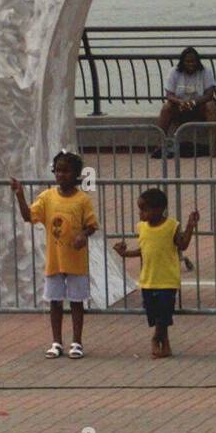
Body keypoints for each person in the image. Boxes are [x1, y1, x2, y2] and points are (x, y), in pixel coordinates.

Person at [11, 151, 98, 359]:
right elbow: (28, 216)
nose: (61, 175)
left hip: (76, 261)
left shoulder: (82, 200)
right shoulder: (47, 197)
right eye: (58, 170)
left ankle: (77, 341)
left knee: (77, 301)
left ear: (76, 174)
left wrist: (83, 235)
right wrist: (20, 195)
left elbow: (92, 225)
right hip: (55, 260)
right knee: (55, 301)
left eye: (66, 171)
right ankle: (56, 341)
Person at [112, 189, 198, 359]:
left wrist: (190, 226)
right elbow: (143, 250)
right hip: (148, 279)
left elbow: (182, 245)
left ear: (159, 209)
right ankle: (164, 343)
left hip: (167, 279)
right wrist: (125, 253)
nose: (141, 213)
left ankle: (155, 339)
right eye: (140, 209)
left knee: (163, 312)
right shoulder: (142, 227)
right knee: (154, 314)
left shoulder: (171, 225)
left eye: (144, 209)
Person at [158, 46, 216, 145]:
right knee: (166, 108)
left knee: (211, 106)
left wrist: (194, 102)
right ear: (182, 62)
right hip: (180, 106)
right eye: (187, 61)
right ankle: (160, 145)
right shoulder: (174, 72)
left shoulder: (206, 71)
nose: (190, 64)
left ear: (197, 61)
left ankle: (213, 146)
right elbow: (169, 95)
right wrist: (181, 102)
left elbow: (209, 95)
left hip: (200, 106)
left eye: (193, 61)